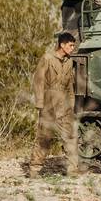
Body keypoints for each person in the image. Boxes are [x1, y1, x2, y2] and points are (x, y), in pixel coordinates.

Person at [26, 31, 80, 176]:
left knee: (69, 136)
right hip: (49, 104)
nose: (72, 48)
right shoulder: (47, 58)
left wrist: (71, 103)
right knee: (44, 138)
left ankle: (72, 169)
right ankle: (34, 169)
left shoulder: (69, 61)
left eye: (73, 45)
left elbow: (70, 86)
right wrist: (40, 103)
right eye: (70, 45)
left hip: (64, 104)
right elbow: (38, 81)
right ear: (62, 45)